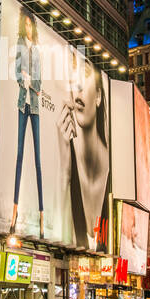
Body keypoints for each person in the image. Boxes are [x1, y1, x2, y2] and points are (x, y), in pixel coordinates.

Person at [59, 47, 110, 251]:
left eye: (85, 74)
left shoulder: (116, 174)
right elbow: (61, 239)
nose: (77, 85)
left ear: (98, 95)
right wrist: (64, 173)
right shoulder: (65, 158)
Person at [10, 9, 45, 239]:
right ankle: (14, 212)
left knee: (38, 159)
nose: (28, 27)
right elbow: (17, 73)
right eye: (26, 24)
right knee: (20, 155)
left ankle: (42, 215)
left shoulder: (38, 50)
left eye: (31, 24)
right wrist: (26, 80)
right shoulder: (20, 45)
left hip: (35, 108)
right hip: (23, 104)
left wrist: (29, 80)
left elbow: (38, 83)